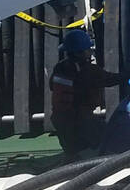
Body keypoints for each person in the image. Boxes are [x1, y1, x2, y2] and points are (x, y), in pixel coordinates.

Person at [49, 28, 122, 157]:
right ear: (79, 53)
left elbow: (51, 86)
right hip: (81, 121)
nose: (91, 51)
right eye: (88, 49)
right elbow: (111, 79)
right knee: (107, 140)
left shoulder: (60, 67)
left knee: (72, 151)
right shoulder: (89, 71)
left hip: (59, 119)